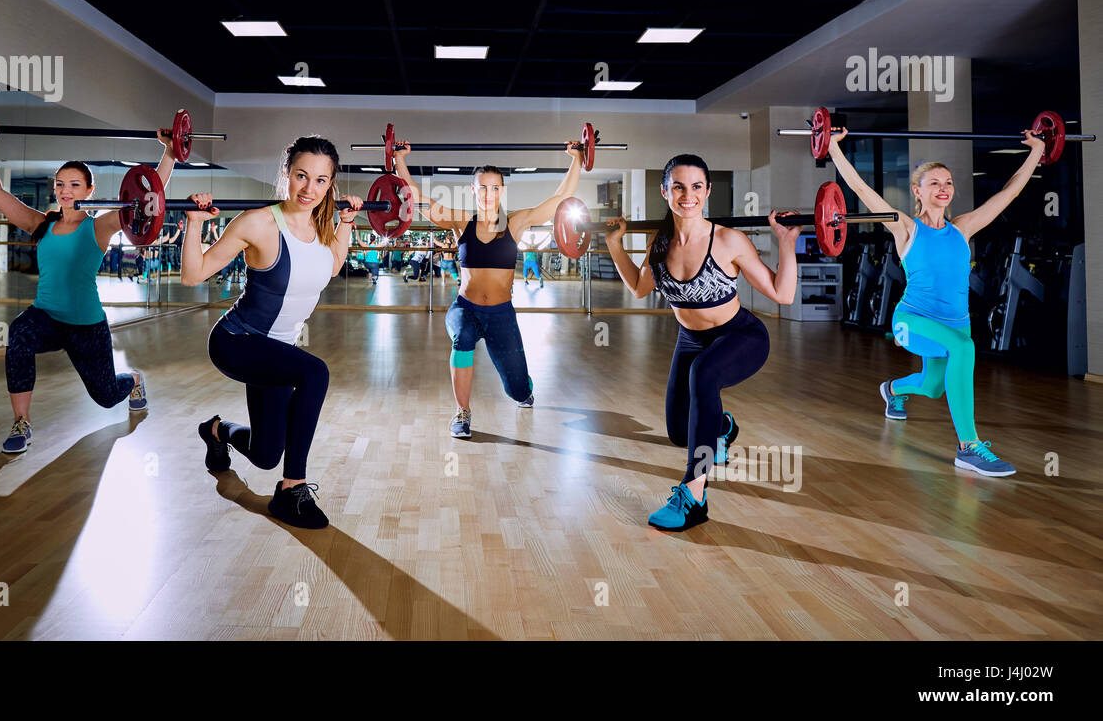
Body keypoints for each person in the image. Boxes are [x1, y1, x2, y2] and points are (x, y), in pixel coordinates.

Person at [826, 127, 1042, 477]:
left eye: (948, 182)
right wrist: (834, 148)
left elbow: (1010, 192)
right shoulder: (906, 228)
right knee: (964, 348)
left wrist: (1037, 150)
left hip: (953, 322)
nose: (944, 189)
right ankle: (968, 447)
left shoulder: (963, 228)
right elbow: (862, 191)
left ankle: (892, 390)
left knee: (932, 386)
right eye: (934, 183)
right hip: (912, 320)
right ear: (917, 191)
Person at [604, 154, 800, 531]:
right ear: (665, 191)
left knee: (703, 375)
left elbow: (782, 292)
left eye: (696, 187)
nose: (687, 195)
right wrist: (615, 244)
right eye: (678, 186)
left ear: (707, 191)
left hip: (741, 336)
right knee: (681, 431)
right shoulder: (659, 245)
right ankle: (722, 426)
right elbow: (640, 287)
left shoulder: (729, 240)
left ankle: (694, 496)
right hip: (691, 339)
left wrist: (786, 242)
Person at [189, 136, 364, 529]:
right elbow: (193, 273)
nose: (309, 189)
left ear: (330, 184)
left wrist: (346, 223)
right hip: (237, 342)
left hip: (277, 351)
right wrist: (195, 224)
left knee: (266, 454)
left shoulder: (321, 225)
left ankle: (215, 431)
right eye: (302, 176)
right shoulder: (258, 223)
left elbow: (333, 265)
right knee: (315, 372)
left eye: (321, 181)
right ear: (287, 174)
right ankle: (291, 490)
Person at [0, 122, 177, 454]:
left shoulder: (100, 226)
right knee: (19, 336)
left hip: (86, 326)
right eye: (60, 184)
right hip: (46, 318)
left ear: (89, 190)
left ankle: (134, 380)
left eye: (74, 184)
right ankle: (21, 423)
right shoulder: (42, 223)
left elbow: (147, 197)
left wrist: (169, 152)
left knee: (107, 396)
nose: (65, 190)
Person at [391, 137, 585, 439]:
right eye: (482, 187)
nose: (488, 193)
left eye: (494, 187)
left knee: (517, 389)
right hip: (465, 308)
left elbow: (559, 200)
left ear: (502, 190)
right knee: (462, 339)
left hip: (501, 315)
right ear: (472, 190)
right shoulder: (460, 222)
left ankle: (523, 387)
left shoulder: (516, 223)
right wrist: (399, 159)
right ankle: (462, 412)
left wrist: (577, 158)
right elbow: (419, 201)